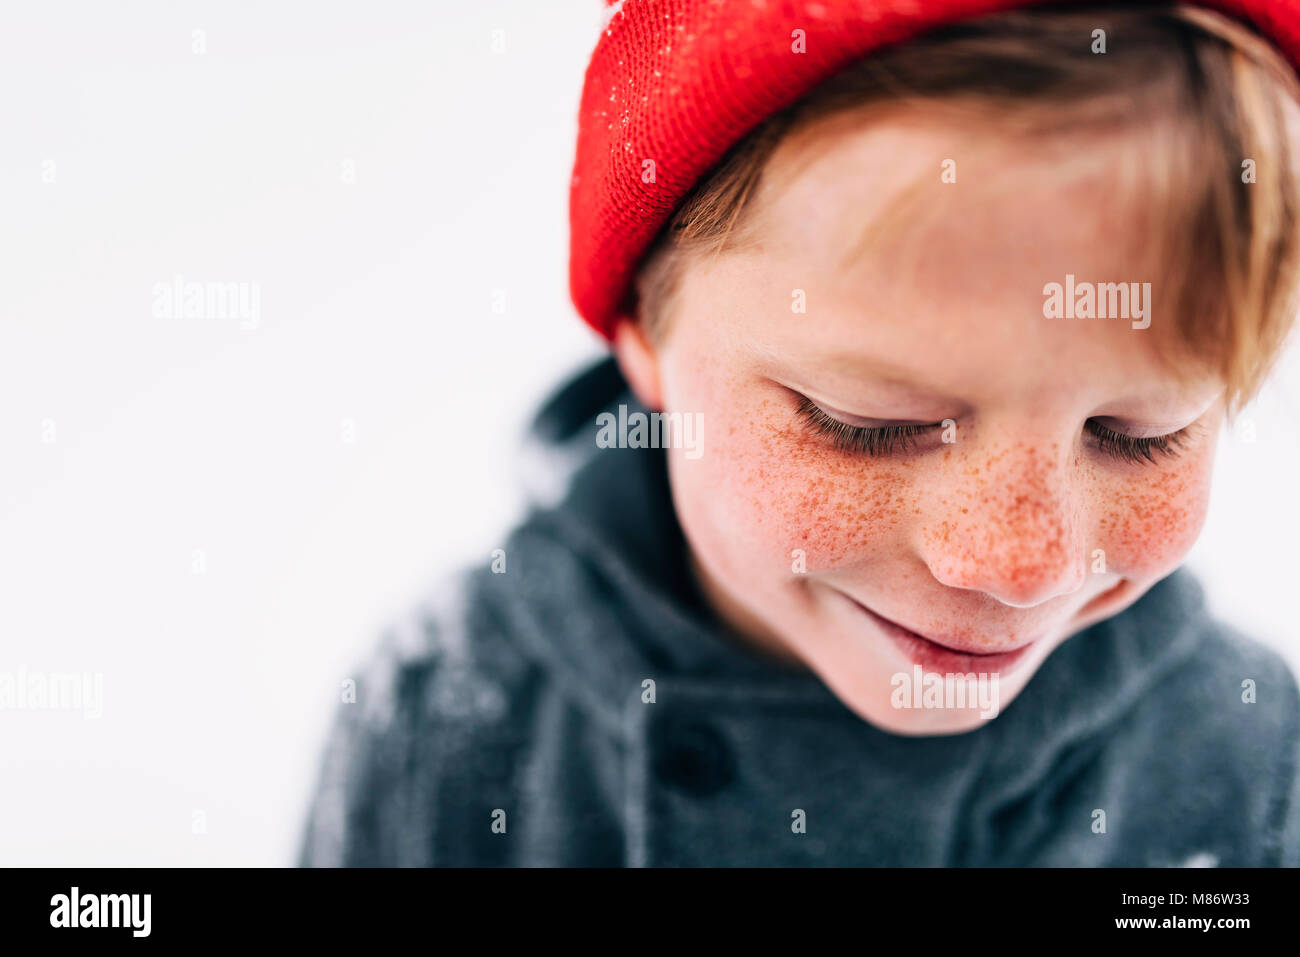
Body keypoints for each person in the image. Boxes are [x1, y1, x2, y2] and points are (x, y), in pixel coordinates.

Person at [299, 1, 1300, 866]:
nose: (1016, 564)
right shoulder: (454, 717)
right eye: (866, 424)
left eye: (1140, 434)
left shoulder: (1249, 769)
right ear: (644, 338)